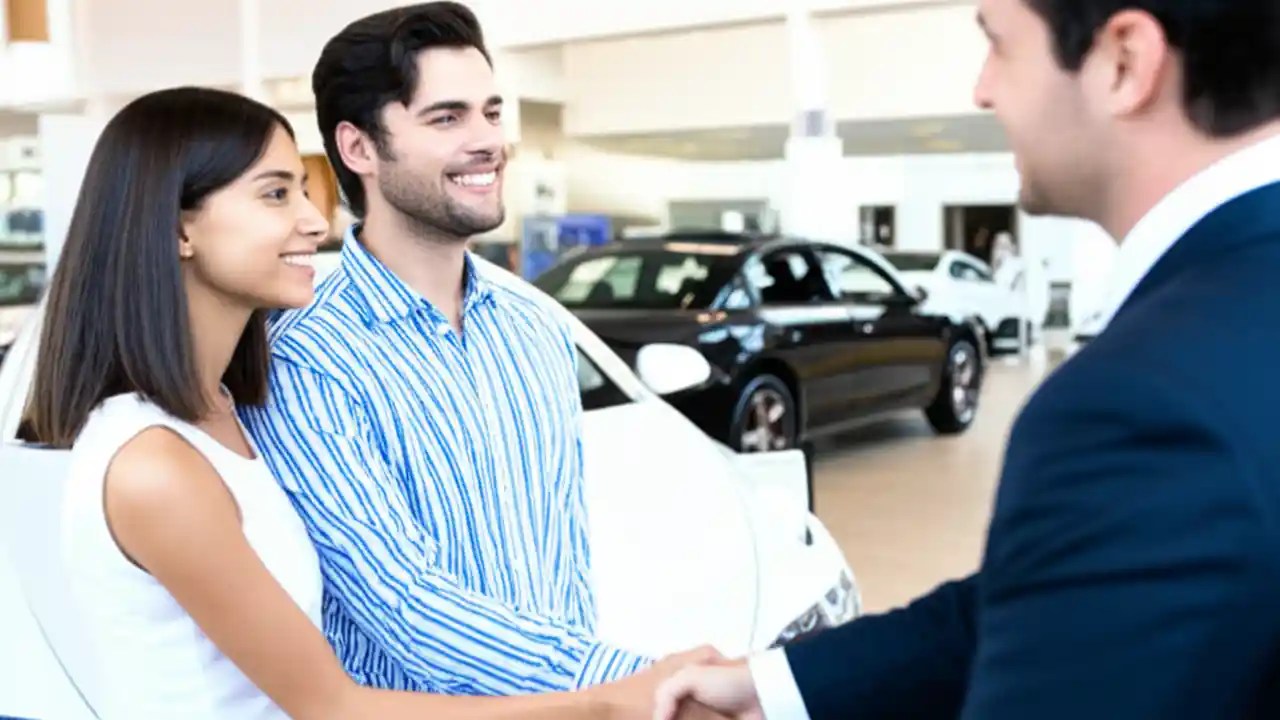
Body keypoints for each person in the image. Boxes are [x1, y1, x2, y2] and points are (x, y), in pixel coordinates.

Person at [656, 0, 1280, 717]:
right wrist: (780, 687)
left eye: (1000, 46)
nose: (981, 89)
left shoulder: (1139, 401)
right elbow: (1077, 585)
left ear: (1124, 62)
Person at [19, 86, 710, 720]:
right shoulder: (154, 467)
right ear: (178, 229)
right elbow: (335, 706)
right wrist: (607, 702)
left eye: (304, 190)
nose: (314, 221)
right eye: (274, 194)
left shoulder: (227, 412)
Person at [236, 4, 717, 718]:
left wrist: (600, 694)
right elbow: (406, 606)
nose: (488, 141)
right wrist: (629, 682)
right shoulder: (310, 357)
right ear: (360, 147)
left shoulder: (535, 327)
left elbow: (563, 558)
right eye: (447, 118)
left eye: (492, 113)